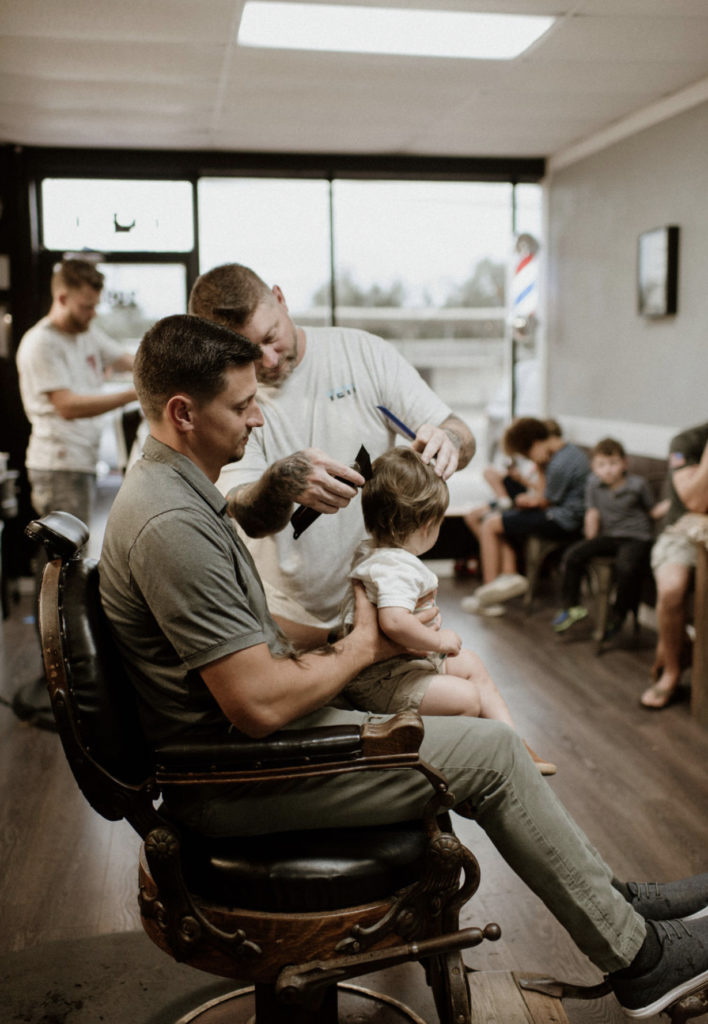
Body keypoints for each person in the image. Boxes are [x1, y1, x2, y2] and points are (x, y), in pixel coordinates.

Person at [98, 314, 708, 1021]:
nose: (258, 418)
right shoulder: (171, 523)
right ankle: (639, 960)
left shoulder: (176, 496)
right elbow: (257, 705)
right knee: (495, 752)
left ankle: (612, 902)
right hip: (239, 779)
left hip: (244, 754)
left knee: (480, 733)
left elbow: (251, 653)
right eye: (241, 406)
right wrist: (367, 646)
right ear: (182, 413)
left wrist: (341, 634)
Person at [188, 263, 476, 649]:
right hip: (282, 616)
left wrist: (451, 442)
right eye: (247, 353)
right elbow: (248, 514)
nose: (269, 361)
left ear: (280, 298)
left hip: (376, 599)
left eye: (272, 337)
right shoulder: (230, 399)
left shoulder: (362, 353)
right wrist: (278, 483)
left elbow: (459, 432)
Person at [341, 446, 557, 774]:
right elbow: (394, 621)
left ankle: (513, 744)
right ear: (428, 524)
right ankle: (456, 765)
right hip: (382, 680)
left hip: (399, 666)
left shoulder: (376, 552)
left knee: (471, 664)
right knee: (466, 698)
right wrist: (439, 643)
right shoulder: (396, 567)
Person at [16, 258, 137, 527]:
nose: (93, 313)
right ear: (61, 298)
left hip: (82, 460)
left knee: (71, 555)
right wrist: (135, 393)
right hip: (58, 465)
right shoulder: (41, 343)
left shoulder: (87, 334)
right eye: (86, 306)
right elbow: (67, 406)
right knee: (63, 559)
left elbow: (127, 360)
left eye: (95, 306)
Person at [462, 417, 589, 617]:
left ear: (536, 444)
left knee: (490, 524)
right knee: (498, 521)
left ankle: (488, 594)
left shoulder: (559, 463)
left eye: (528, 455)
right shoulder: (570, 453)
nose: (530, 459)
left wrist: (528, 498)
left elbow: (546, 500)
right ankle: (505, 577)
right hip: (560, 515)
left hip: (561, 520)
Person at [552, 437, 668, 637]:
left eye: (613, 463)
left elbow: (653, 512)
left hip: (637, 537)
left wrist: (672, 502)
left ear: (624, 463)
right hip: (610, 536)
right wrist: (589, 539)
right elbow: (592, 512)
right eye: (601, 465)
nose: (608, 470)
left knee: (626, 567)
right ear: (593, 467)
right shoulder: (593, 484)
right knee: (573, 555)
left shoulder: (637, 485)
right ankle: (571, 607)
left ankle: (618, 614)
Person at [642, 422, 708, 710]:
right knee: (671, 589)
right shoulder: (687, 441)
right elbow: (696, 500)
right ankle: (671, 671)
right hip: (680, 533)